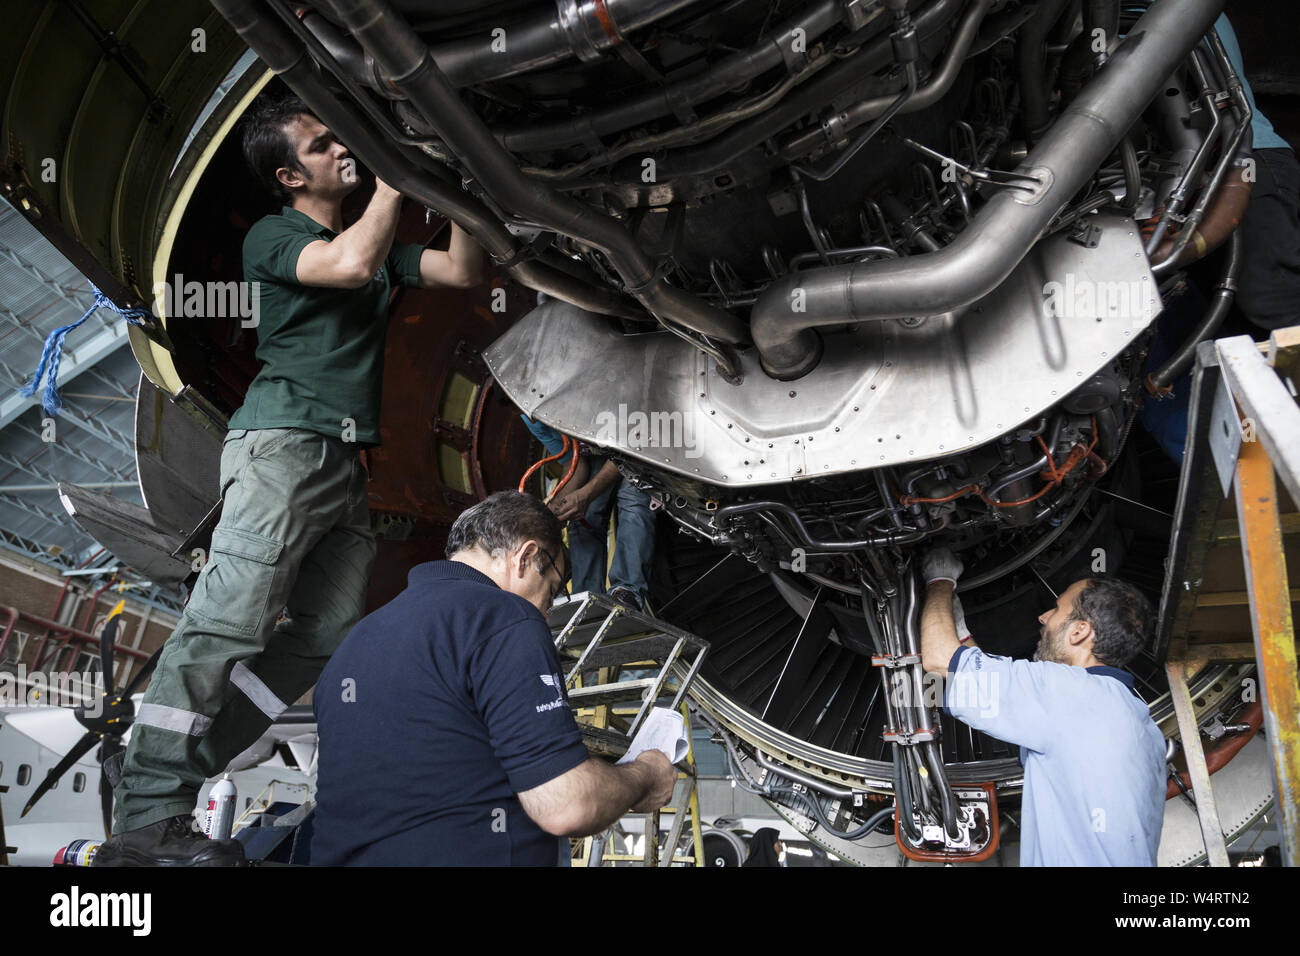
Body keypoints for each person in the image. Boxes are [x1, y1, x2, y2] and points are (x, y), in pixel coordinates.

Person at [96, 94, 486, 867]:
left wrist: (459, 189)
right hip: (281, 449)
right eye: (321, 143)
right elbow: (351, 265)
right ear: (287, 174)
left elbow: (462, 267)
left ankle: (186, 770)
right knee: (229, 620)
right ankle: (146, 811)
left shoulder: (361, 242)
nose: (342, 148)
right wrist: (398, 183)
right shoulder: (281, 239)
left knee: (325, 634)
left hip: (341, 466)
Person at [310, 490, 678, 865]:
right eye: (551, 593)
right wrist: (644, 775)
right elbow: (566, 805)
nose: (546, 616)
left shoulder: (356, 641)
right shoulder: (504, 616)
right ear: (526, 557)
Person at [919, 548, 1166, 866]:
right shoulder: (1136, 719)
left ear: (1079, 631)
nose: (1043, 617)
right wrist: (960, 630)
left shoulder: (1067, 692)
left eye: (1056, 610)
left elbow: (940, 664)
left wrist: (939, 579)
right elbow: (986, 687)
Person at [519, 415, 657, 610]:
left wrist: (586, 494)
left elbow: (631, 444)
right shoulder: (533, 418)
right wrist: (555, 510)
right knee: (585, 517)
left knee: (633, 501)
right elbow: (575, 464)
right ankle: (586, 597)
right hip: (601, 452)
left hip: (635, 444)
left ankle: (627, 591)